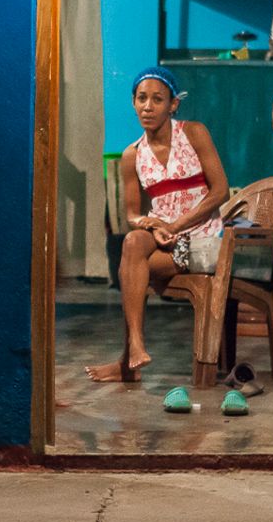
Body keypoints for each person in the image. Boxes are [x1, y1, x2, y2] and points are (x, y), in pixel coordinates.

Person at [86, 67, 230, 383]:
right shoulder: (131, 155)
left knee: (131, 266)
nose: (148, 107)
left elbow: (220, 190)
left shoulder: (194, 133)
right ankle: (136, 346)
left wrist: (176, 224)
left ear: (173, 105)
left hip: (203, 238)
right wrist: (148, 223)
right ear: (133, 103)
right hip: (164, 235)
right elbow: (132, 214)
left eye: (157, 99)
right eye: (141, 99)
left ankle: (128, 361)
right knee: (133, 243)